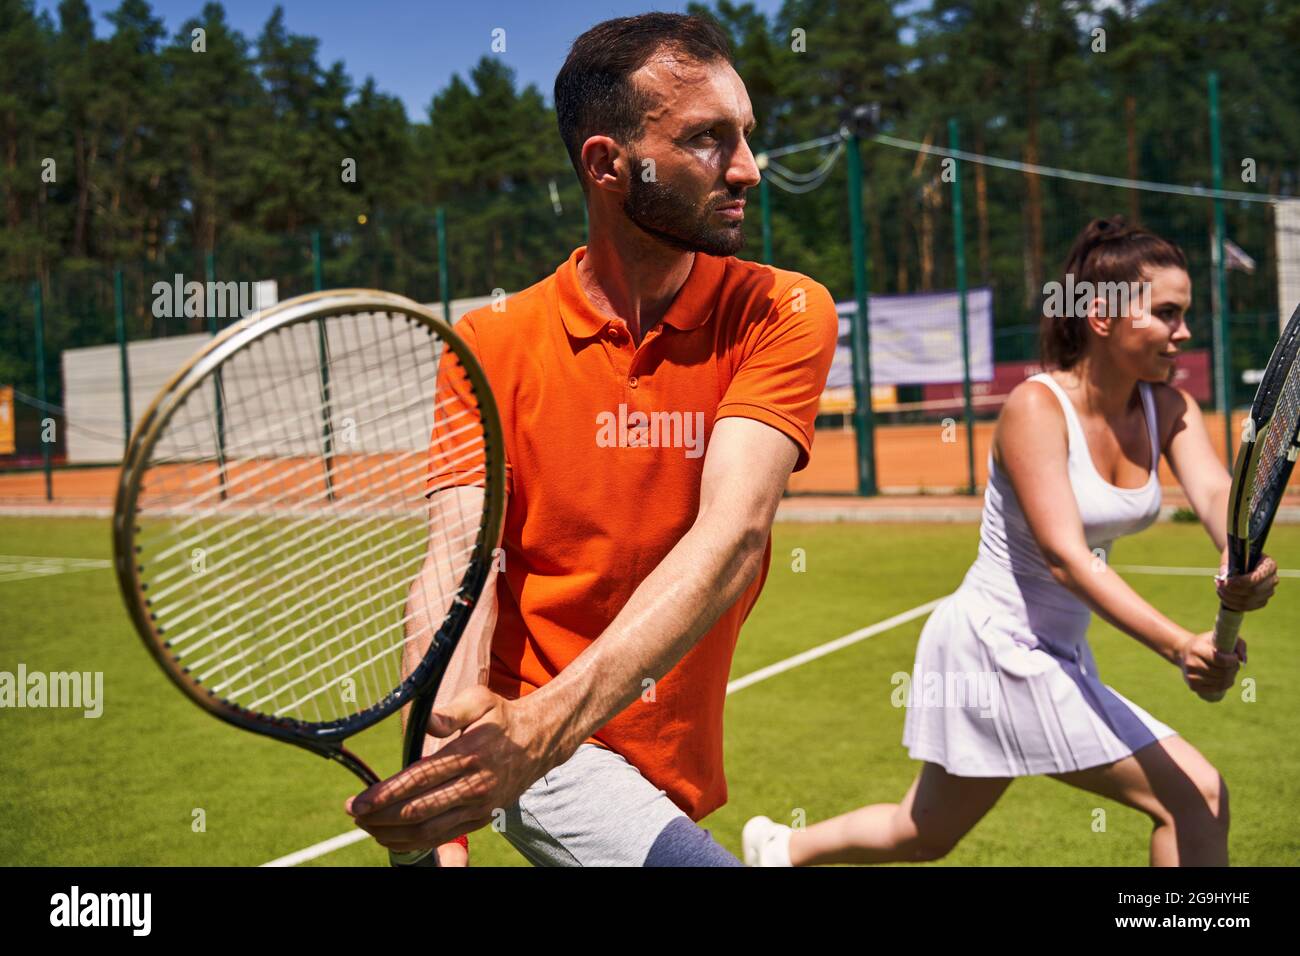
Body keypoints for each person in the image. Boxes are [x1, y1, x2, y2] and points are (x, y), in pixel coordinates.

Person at [345, 12, 839, 866]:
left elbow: (732, 538)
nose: (750, 171)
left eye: (746, 136)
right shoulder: (490, 345)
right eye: (708, 140)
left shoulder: (783, 312)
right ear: (609, 164)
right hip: (538, 736)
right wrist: (445, 801)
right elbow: (459, 574)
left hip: (592, 747)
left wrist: (531, 735)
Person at [744, 216, 1279, 867]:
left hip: (1055, 652)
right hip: (994, 647)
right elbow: (1065, 558)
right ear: (1103, 318)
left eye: (1185, 313)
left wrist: (1237, 552)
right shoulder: (1035, 408)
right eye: (1167, 314)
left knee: (923, 834)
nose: (1184, 333)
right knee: (1196, 796)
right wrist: (1179, 646)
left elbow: (1222, 496)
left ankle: (778, 849)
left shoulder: (1169, 407)